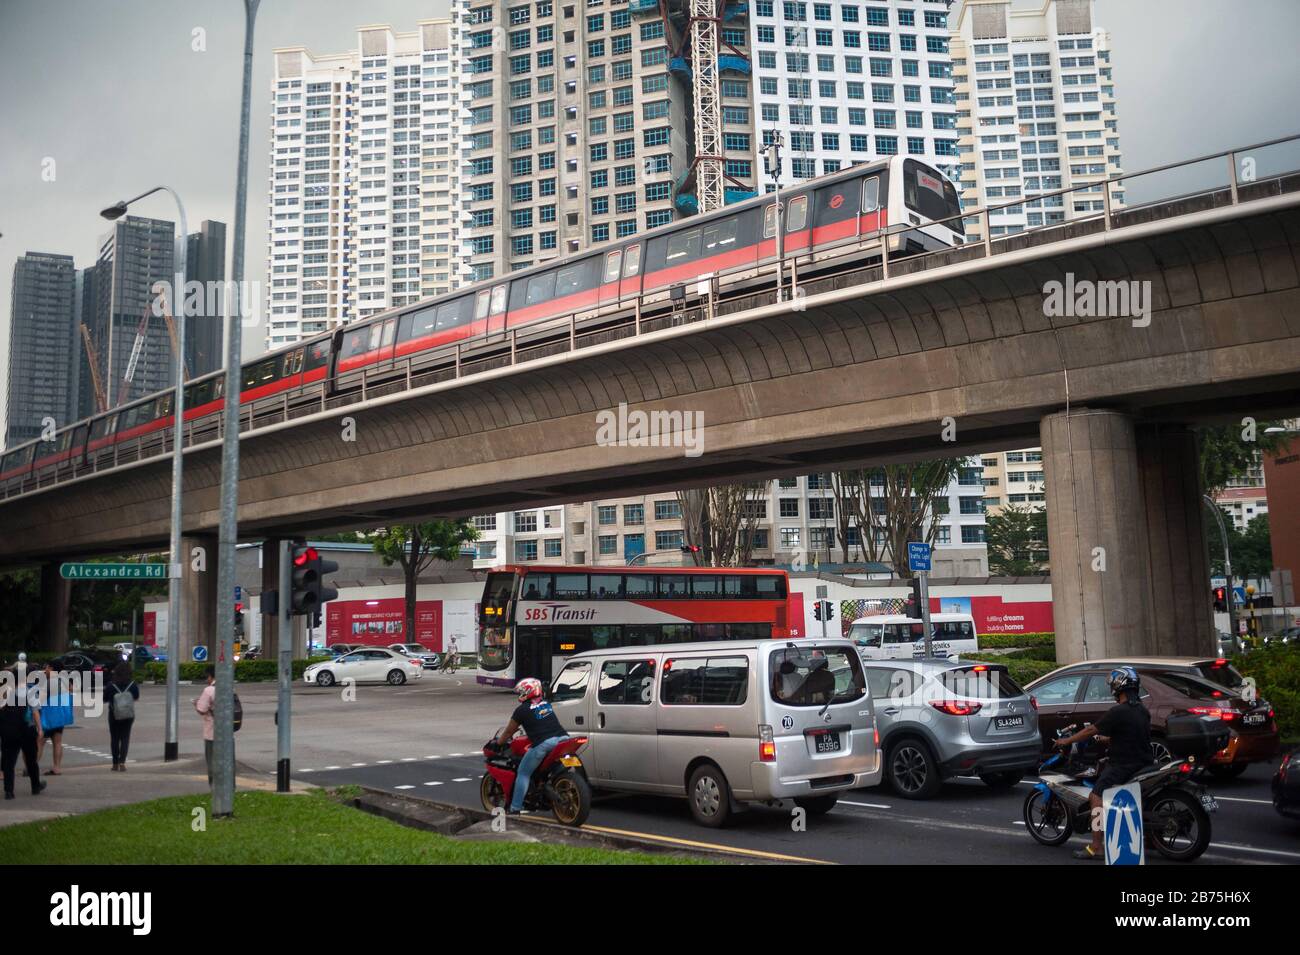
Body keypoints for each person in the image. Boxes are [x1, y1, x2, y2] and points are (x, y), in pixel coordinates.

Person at [1053, 666, 1152, 861]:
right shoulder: (1141, 710)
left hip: (1124, 764)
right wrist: (1105, 739)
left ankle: (1096, 847)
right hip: (1144, 761)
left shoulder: (1117, 711)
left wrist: (1067, 740)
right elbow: (1131, 735)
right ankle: (1149, 839)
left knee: (1095, 796)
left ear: (1118, 686)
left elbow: (1091, 730)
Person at [496, 677, 569, 814]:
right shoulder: (546, 704)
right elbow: (543, 724)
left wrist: (499, 742)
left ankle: (515, 808)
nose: (519, 695)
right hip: (563, 739)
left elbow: (509, 731)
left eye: (521, 692)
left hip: (545, 744)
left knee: (523, 773)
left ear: (526, 692)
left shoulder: (521, 710)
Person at [1, 666, 46, 799]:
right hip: (27, 729)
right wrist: (40, 729)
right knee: (31, 759)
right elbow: (35, 712)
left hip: (8, 730)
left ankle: (9, 791)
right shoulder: (29, 691)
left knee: (9, 761)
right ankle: (35, 785)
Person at [104, 660, 139, 772]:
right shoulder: (132, 684)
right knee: (125, 737)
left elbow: (104, 699)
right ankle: (122, 762)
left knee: (114, 738)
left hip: (114, 714)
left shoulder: (111, 685)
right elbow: (136, 697)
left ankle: (115, 764)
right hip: (128, 714)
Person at [36, 662, 70, 775]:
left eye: (46, 667)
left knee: (39, 742)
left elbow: (40, 699)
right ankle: (57, 768)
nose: (45, 670)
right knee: (57, 742)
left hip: (49, 716)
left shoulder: (49, 683)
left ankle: (32, 767)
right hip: (60, 716)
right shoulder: (64, 682)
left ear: (52, 668)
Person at [194, 666, 216, 783]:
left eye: (207, 677)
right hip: (227, 732)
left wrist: (196, 704)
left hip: (212, 732)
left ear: (210, 676)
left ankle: (213, 783)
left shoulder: (209, 690)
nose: (206, 680)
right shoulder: (229, 687)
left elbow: (201, 709)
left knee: (211, 759)